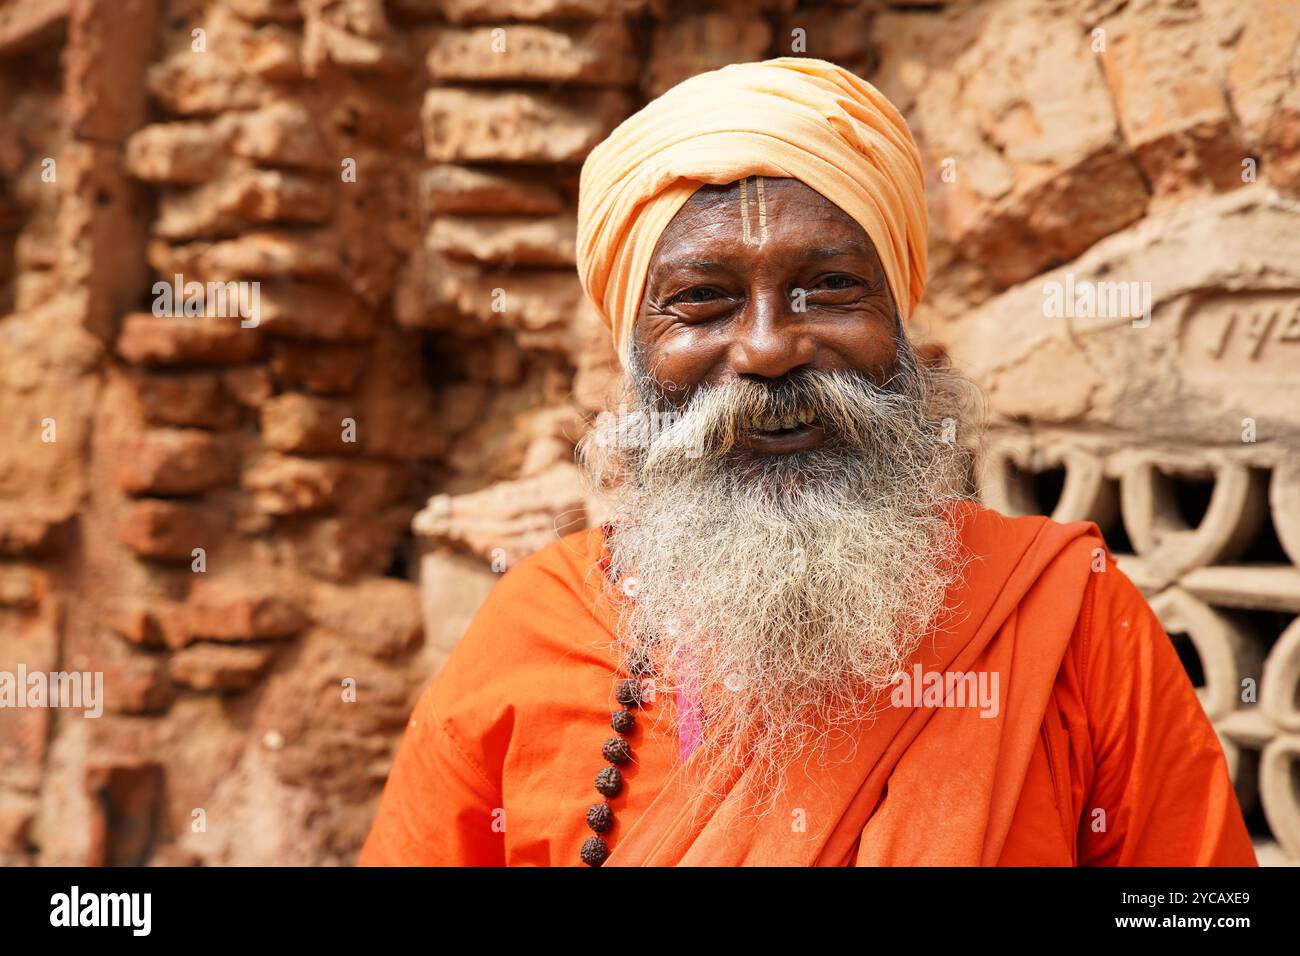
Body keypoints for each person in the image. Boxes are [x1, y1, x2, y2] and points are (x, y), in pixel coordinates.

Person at [358, 57, 1256, 867]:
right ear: (633, 356)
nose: (768, 347)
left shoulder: (1069, 615)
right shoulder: (532, 632)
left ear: (900, 330)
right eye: (703, 301)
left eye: (827, 288)